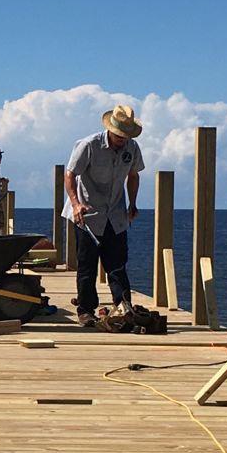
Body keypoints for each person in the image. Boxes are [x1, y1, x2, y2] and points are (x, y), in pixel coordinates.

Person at [63, 104, 145, 327]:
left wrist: (133, 203)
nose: (122, 140)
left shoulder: (133, 147)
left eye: (125, 136)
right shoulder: (88, 145)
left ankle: (123, 306)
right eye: (119, 135)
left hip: (116, 214)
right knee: (87, 265)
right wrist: (75, 203)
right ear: (111, 129)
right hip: (87, 214)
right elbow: (70, 175)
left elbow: (134, 175)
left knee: (118, 264)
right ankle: (86, 310)